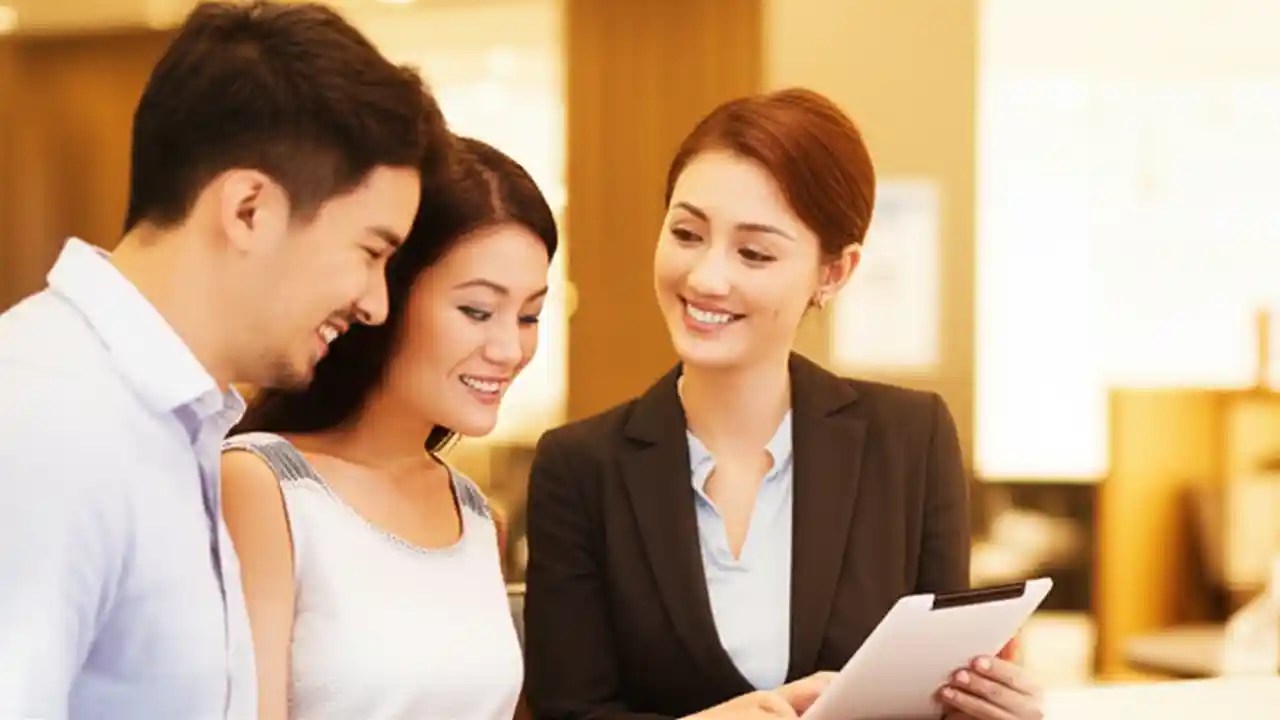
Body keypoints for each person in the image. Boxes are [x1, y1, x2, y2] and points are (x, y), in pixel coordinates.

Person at [522, 88, 1045, 720]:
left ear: (835, 273)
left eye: (754, 252)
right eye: (687, 233)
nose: (707, 278)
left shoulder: (910, 440)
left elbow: (932, 701)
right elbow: (566, 712)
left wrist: (987, 710)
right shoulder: (580, 469)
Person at [0, 2, 446, 718]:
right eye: (370, 253)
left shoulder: (172, 422)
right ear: (248, 209)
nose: (376, 305)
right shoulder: (48, 421)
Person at [219, 136, 557, 720]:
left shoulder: (476, 515)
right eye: (477, 310)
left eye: (529, 316)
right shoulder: (264, 486)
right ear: (384, 297)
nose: (509, 348)